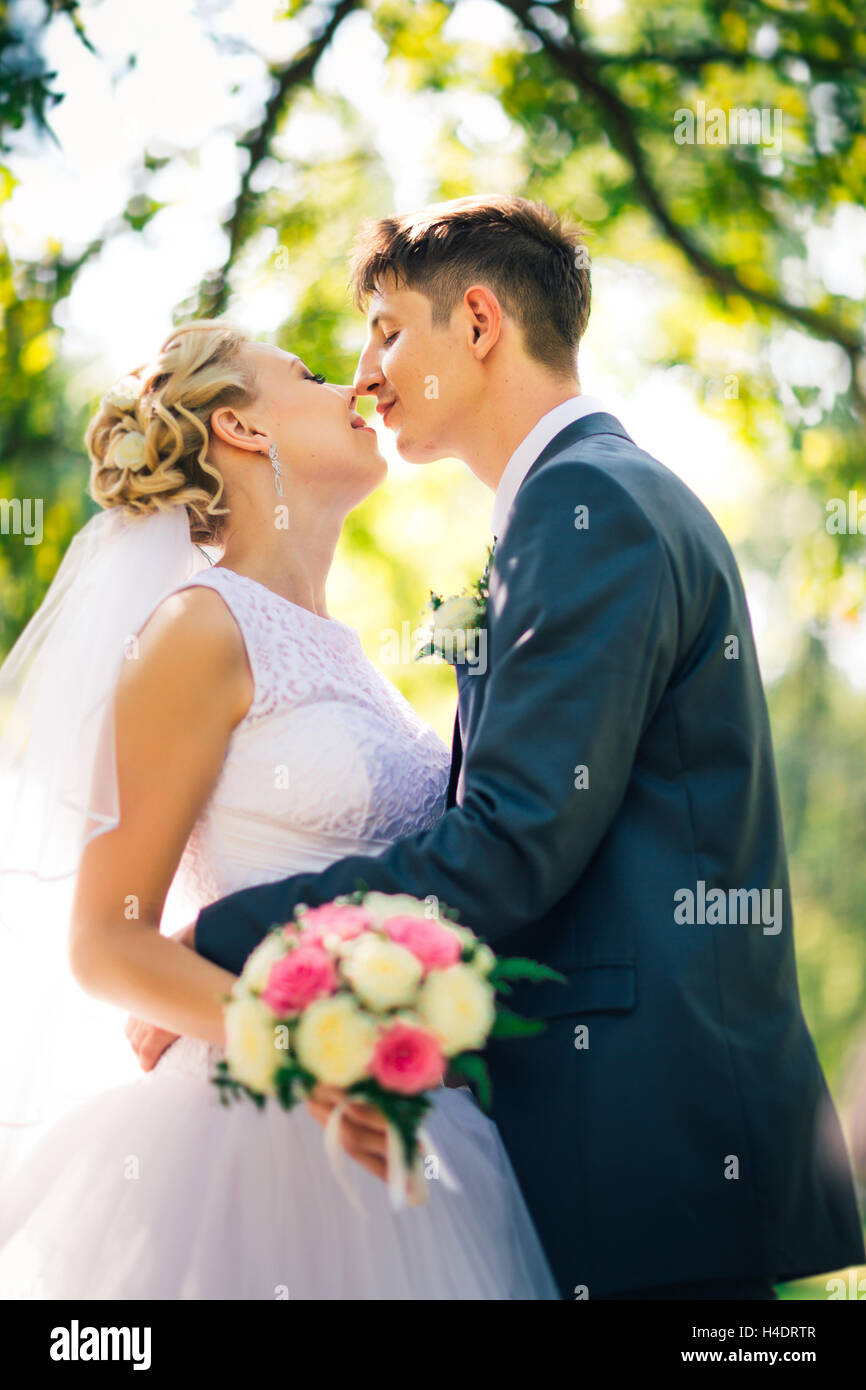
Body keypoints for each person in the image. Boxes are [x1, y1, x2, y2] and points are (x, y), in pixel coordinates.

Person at [140, 195, 865, 1300]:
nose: (366, 371)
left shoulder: (588, 508)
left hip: (641, 1138)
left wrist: (223, 933)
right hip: (602, 1130)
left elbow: (512, 844)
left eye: (387, 329)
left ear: (476, 322)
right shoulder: (580, 504)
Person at [0, 317, 559, 1300]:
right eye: (303, 373)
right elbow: (105, 941)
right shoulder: (195, 628)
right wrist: (297, 1041)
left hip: (410, 1124)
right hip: (253, 1128)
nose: (356, 384)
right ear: (242, 430)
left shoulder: (356, 662)